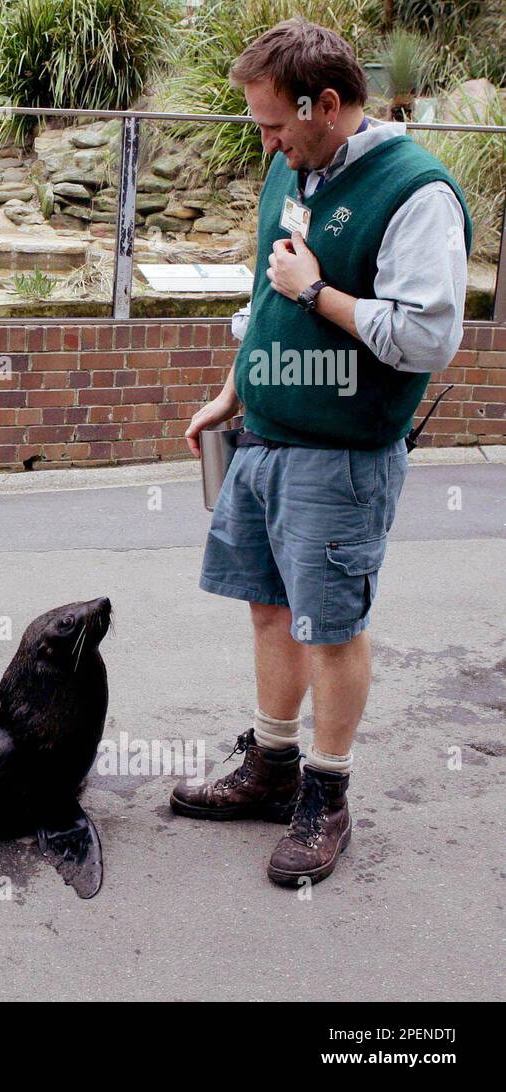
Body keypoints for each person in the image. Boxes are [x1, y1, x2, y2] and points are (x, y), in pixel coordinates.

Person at [174, 18, 472, 888]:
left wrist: (323, 294)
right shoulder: (291, 165)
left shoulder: (417, 192)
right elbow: (266, 297)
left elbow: (425, 338)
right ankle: (271, 768)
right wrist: (234, 390)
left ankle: (326, 793)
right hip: (263, 439)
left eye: (273, 123)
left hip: (340, 456)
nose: (262, 140)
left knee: (331, 627)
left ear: (327, 104)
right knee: (269, 609)